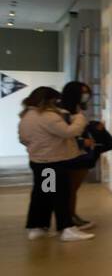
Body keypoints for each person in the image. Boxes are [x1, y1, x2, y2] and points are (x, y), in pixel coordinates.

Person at [18, 86, 93, 241]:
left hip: (39, 162)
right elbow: (69, 132)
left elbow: (23, 140)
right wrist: (79, 119)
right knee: (60, 196)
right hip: (52, 163)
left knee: (43, 194)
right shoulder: (47, 116)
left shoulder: (27, 116)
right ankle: (66, 229)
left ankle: (37, 226)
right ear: (49, 100)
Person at [59, 80, 107, 231]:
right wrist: (81, 141)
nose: (86, 96)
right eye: (83, 92)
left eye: (87, 92)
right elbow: (67, 133)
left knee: (71, 189)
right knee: (67, 189)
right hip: (69, 155)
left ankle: (70, 217)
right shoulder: (64, 112)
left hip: (79, 155)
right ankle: (67, 220)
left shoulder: (75, 111)